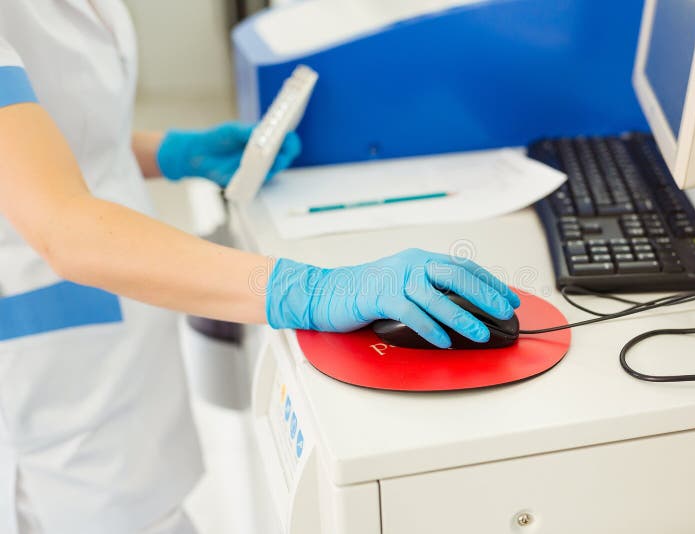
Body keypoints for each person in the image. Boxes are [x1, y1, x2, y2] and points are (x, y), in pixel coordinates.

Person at [0, 2, 520, 533]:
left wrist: (174, 152)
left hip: (115, 325)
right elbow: (60, 227)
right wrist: (308, 290)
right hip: (52, 370)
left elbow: (49, 140)